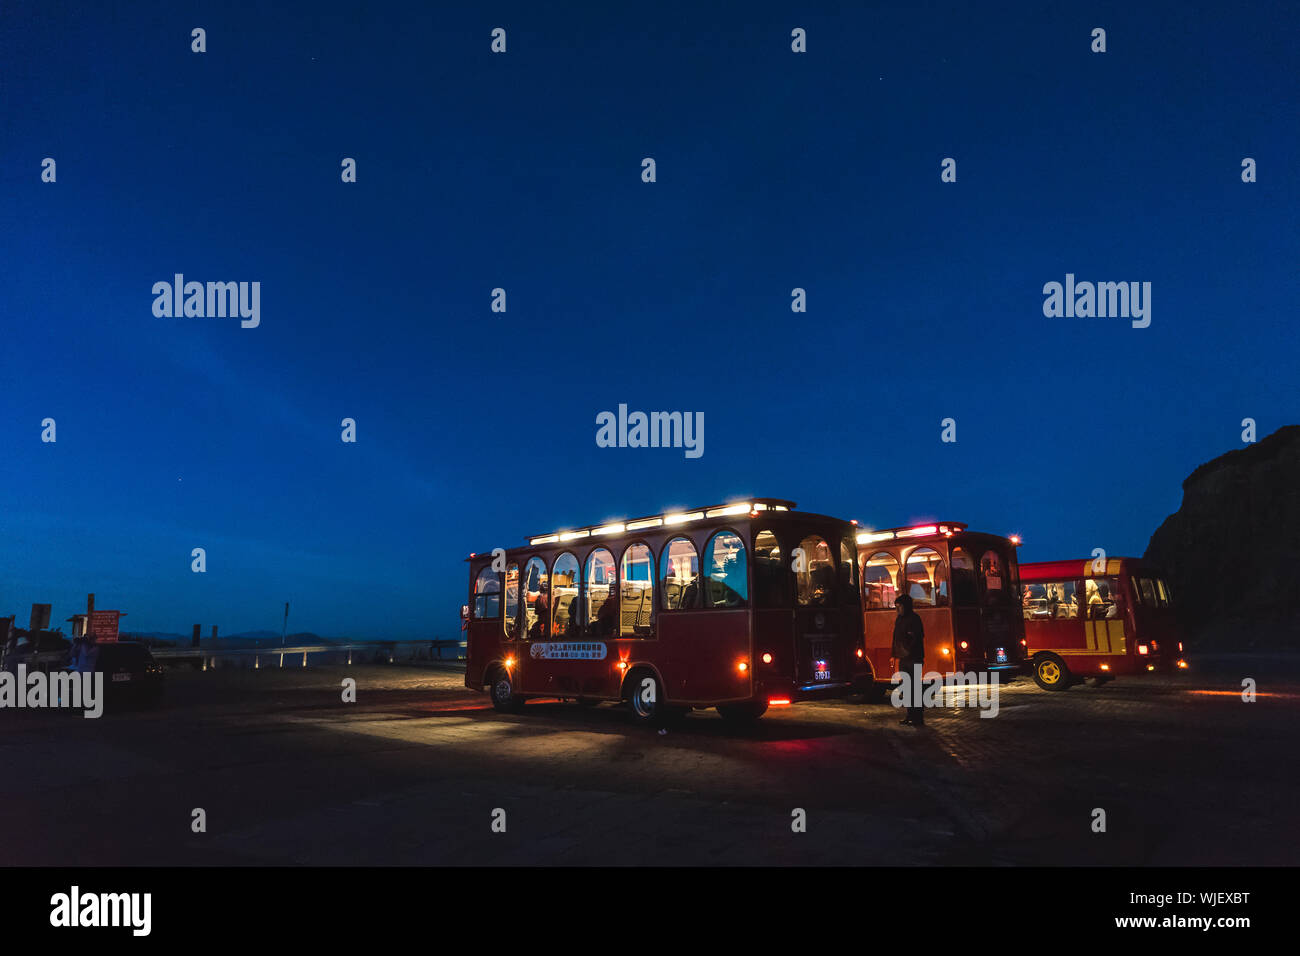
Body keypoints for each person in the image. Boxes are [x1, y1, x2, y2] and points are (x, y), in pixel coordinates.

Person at [892, 593, 926, 726]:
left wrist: (907, 650)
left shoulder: (914, 619)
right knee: (907, 688)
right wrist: (893, 654)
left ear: (906, 606)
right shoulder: (899, 619)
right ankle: (910, 715)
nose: (897, 609)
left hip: (914, 658)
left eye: (899, 607)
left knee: (915, 689)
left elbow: (917, 638)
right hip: (904, 659)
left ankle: (918, 717)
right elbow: (895, 638)